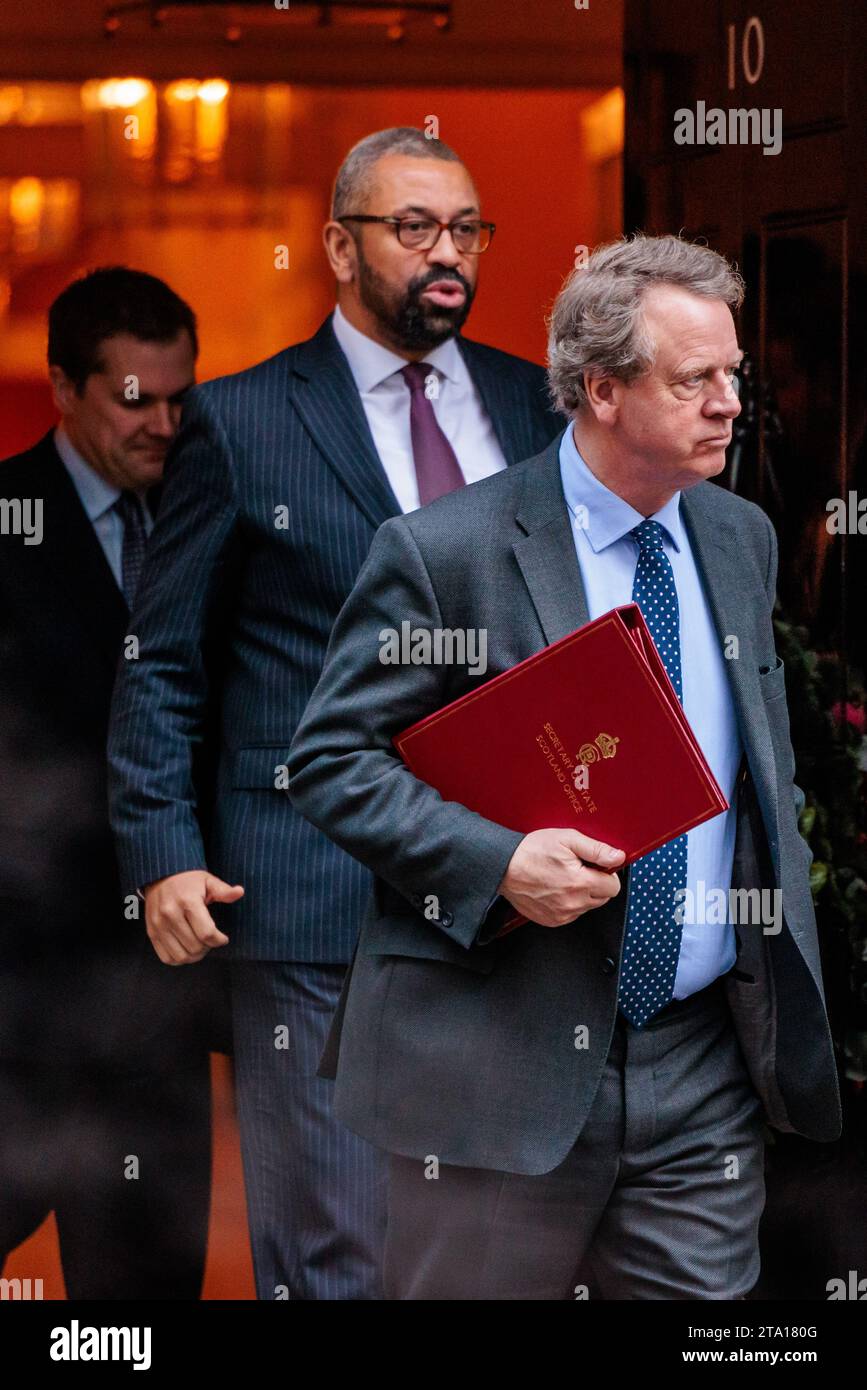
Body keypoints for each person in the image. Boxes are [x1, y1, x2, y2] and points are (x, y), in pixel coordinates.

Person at [285, 233, 843, 1301]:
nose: (731, 402)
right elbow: (329, 759)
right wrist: (496, 861)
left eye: (734, 375)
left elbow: (763, 765)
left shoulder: (740, 537)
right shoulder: (443, 550)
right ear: (601, 389)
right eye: (696, 380)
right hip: (496, 1063)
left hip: (700, 1064)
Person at [106, 126, 562, 1301]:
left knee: (484, 1249)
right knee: (332, 1250)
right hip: (311, 883)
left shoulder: (538, 407)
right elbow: (161, 658)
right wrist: (162, 853)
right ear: (338, 247)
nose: (446, 252)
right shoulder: (242, 418)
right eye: (414, 227)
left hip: (508, 885)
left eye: (466, 228)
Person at [0, 266, 214, 1299]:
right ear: (64, 389)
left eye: (181, 398)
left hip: (156, 1001)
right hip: (18, 991)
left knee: (143, 1298)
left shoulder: (215, 522)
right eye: (136, 398)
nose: (163, 424)